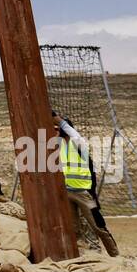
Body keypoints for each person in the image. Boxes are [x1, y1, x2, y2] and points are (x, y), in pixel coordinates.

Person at [52, 110, 119, 257]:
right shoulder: (58, 145)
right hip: (67, 192)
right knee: (74, 228)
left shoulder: (78, 143)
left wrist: (58, 119)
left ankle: (115, 255)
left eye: (58, 129)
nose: (56, 132)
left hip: (83, 192)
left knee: (97, 225)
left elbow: (72, 133)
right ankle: (80, 255)